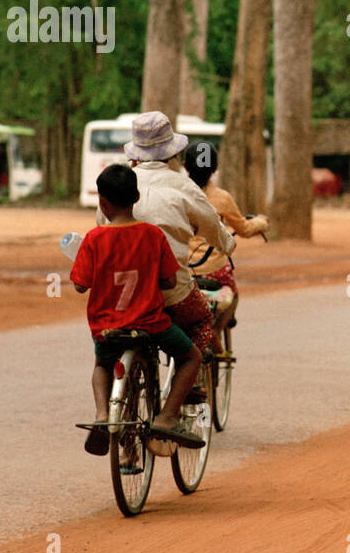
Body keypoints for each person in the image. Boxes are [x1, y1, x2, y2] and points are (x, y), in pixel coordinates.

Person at [71, 163, 204, 455]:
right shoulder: (153, 235)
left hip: (107, 327)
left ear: (102, 203)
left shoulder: (94, 239)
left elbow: (80, 285)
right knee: (191, 357)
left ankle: (102, 415)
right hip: (150, 324)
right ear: (137, 198)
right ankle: (167, 417)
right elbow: (170, 281)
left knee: (102, 365)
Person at [105, 112, 236, 398]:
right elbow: (214, 227)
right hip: (172, 292)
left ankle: (110, 408)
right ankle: (178, 401)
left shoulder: (120, 183)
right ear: (174, 152)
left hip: (122, 295)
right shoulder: (184, 186)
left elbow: (101, 227)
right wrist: (227, 245)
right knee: (202, 321)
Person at [185, 143, 268, 350]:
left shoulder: (177, 193)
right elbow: (244, 229)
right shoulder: (222, 198)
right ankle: (216, 329)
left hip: (182, 269)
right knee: (233, 295)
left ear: (186, 165)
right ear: (215, 168)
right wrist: (261, 222)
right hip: (214, 271)